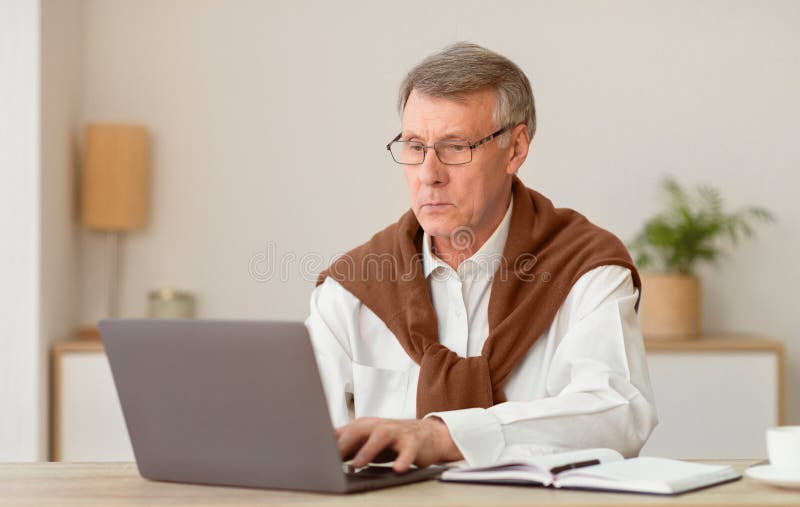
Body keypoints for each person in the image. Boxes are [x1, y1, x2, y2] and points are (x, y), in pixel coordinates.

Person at [305, 42, 657, 473]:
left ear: (515, 149)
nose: (429, 174)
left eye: (455, 147)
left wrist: (443, 436)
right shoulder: (349, 290)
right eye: (415, 147)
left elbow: (617, 411)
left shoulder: (585, 267)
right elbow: (306, 446)